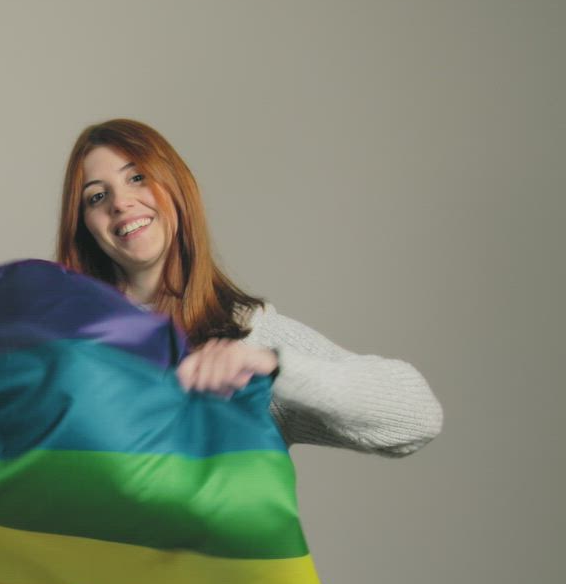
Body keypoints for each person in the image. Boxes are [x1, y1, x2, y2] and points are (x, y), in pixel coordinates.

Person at [57, 119, 442, 455]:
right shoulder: (64, 343)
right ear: (85, 226)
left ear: (175, 188)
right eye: (97, 196)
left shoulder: (250, 337)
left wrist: (272, 368)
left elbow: (418, 417)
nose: (121, 203)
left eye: (137, 177)